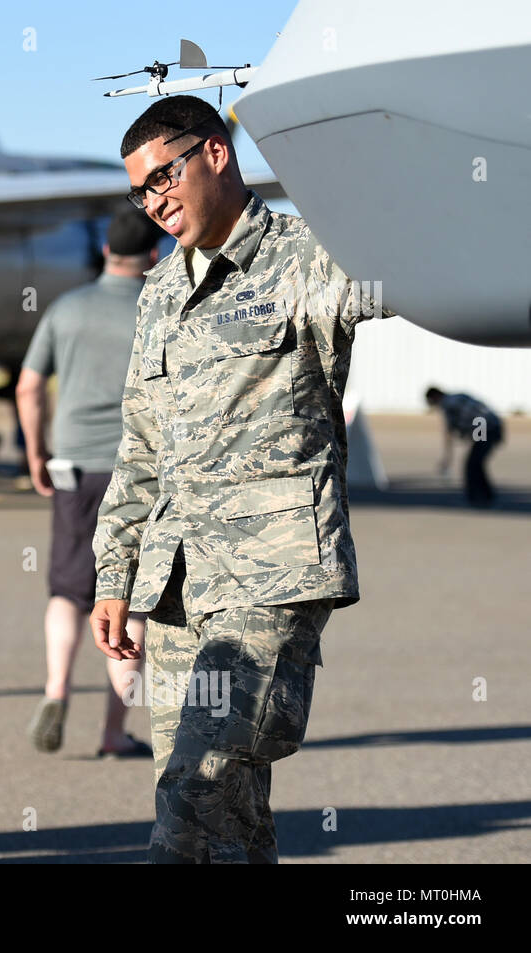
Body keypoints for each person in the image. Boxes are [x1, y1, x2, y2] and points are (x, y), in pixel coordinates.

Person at [91, 95, 391, 863]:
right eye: (140, 191)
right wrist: (114, 573)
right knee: (228, 819)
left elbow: (419, 269)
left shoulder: (310, 259)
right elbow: (140, 446)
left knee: (195, 793)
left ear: (216, 153)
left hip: (271, 576)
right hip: (175, 587)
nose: (155, 201)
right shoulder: (159, 292)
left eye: (165, 176)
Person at [17, 208, 162, 759]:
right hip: (140, 470)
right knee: (128, 598)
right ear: (154, 255)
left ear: (104, 251)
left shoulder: (66, 308)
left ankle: (56, 688)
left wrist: (36, 452)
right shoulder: (157, 306)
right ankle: (111, 731)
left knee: (67, 588)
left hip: (73, 467)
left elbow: (29, 388)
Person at [425, 386, 503, 506]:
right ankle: (485, 495)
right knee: (476, 463)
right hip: (492, 425)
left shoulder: (448, 405)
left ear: (435, 397)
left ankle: (476, 497)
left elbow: (450, 433)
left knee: (473, 464)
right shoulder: (458, 396)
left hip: (486, 427)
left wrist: (447, 459)